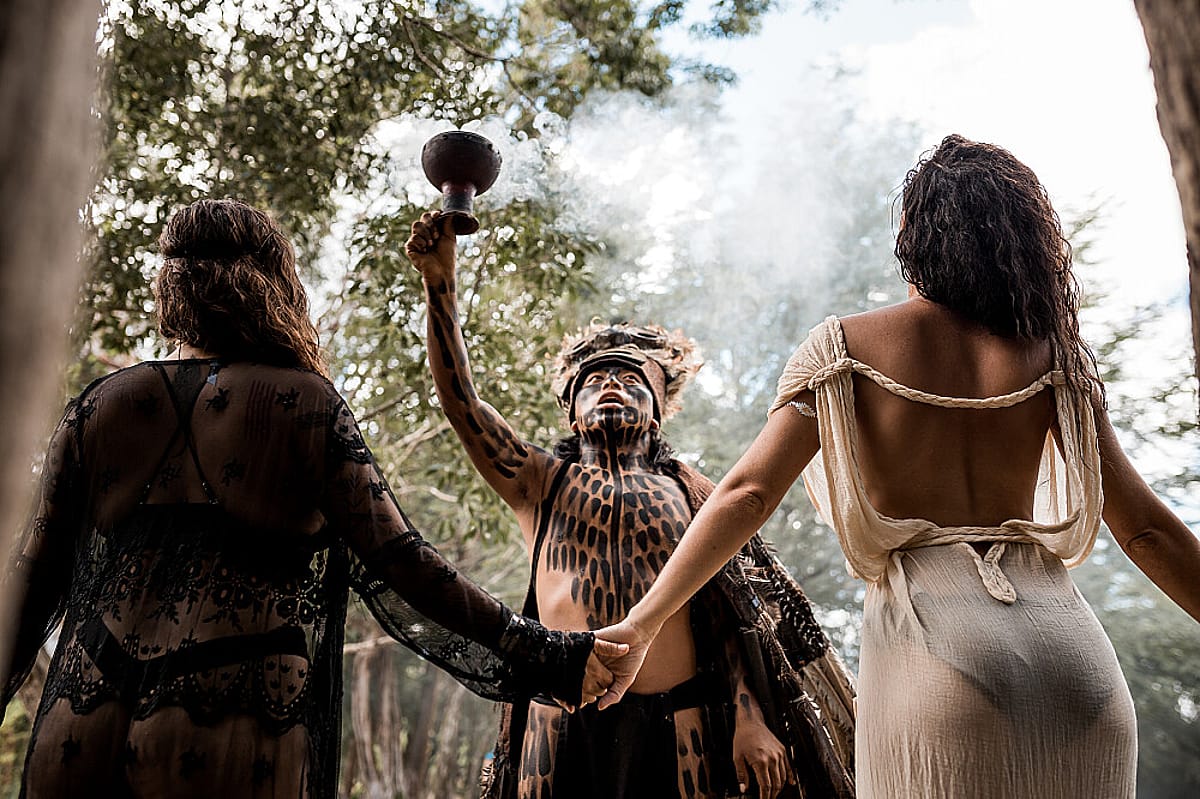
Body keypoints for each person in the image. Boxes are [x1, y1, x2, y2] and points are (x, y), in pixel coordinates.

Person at [595, 134, 1200, 799]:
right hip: (1078, 667)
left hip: (940, 669)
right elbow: (1145, 529)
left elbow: (747, 493)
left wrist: (642, 621)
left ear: (918, 237)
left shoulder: (844, 348)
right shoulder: (1053, 354)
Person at [0, 198, 624, 799]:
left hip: (80, 715)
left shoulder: (101, 406)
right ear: (274, 288)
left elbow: (30, 581)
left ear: (172, 287)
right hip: (233, 711)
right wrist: (545, 651)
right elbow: (401, 562)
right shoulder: (302, 404)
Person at [405, 211, 856, 799]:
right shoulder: (537, 482)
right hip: (554, 726)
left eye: (630, 379)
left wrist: (749, 717)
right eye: (593, 381)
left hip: (683, 728)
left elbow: (732, 615)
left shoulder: (697, 495)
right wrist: (440, 284)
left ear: (660, 407)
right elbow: (461, 401)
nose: (610, 385)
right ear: (571, 411)